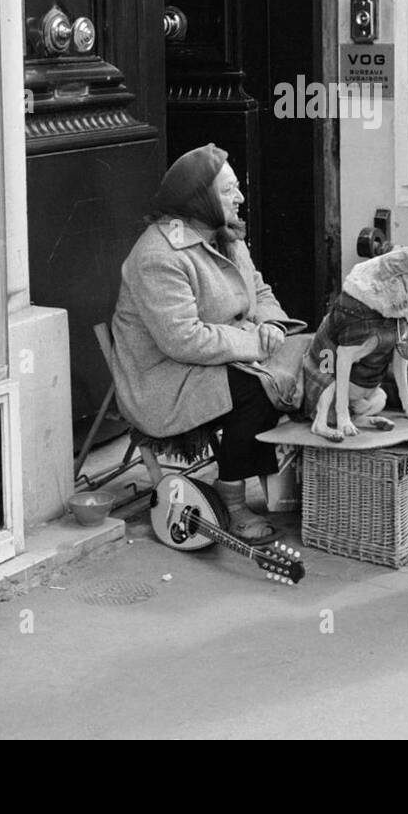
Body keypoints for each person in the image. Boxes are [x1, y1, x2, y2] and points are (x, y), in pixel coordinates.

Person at [110, 144, 301, 543]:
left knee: (309, 357)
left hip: (222, 354)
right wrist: (255, 344)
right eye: (230, 190)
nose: (241, 197)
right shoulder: (157, 255)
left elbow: (260, 290)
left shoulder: (225, 235)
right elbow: (183, 339)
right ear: (200, 200)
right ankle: (233, 501)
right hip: (165, 378)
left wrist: (272, 325)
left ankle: (292, 487)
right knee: (254, 389)